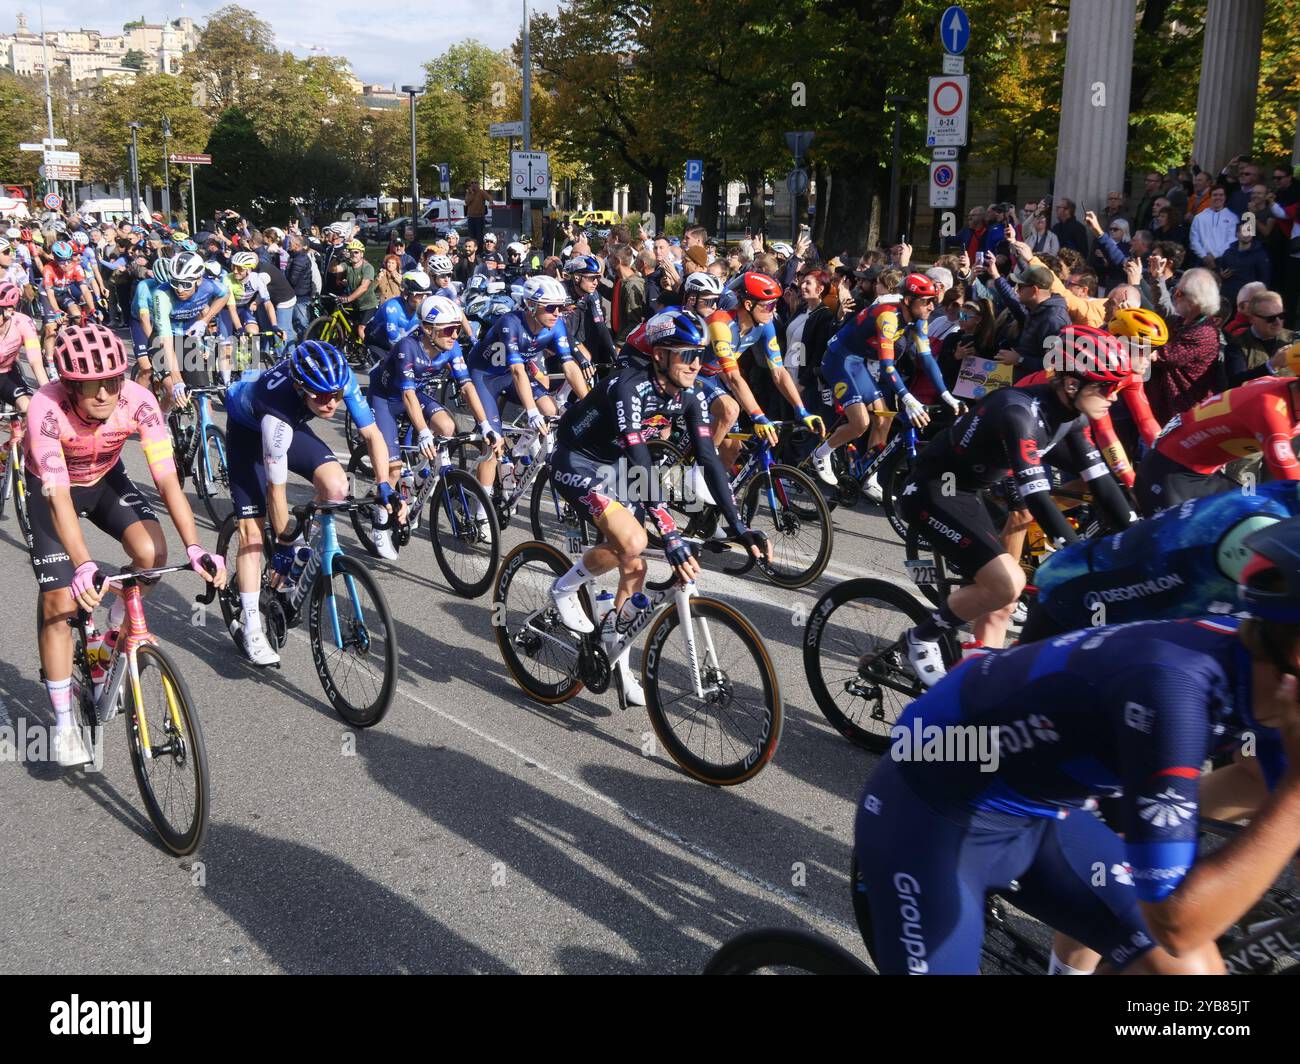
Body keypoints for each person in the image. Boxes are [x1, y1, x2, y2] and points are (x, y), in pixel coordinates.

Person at [853, 528, 1300, 973]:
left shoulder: (1265, 681)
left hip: (1044, 816)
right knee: (1179, 941)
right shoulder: (1174, 691)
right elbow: (1178, 924)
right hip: (927, 818)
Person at [24, 324, 226, 766]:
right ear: (69, 386)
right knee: (60, 600)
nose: (104, 395)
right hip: (51, 491)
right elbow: (57, 498)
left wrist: (195, 547)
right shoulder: (46, 408)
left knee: (152, 554)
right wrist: (81, 566)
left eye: (112, 382)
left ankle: (114, 626)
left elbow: (167, 478)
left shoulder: (139, 399)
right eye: (90, 386)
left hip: (105, 479)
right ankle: (63, 723)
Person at [546, 310, 769, 704]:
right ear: (661, 356)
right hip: (577, 460)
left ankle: (618, 660)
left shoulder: (693, 392)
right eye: (686, 355)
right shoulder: (630, 385)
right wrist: (669, 533)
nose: (696, 364)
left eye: (699, 354)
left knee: (635, 566)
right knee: (633, 541)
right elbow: (638, 458)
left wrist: (738, 525)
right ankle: (564, 587)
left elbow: (708, 459)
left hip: (617, 467)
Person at [900, 325, 1137, 683]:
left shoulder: (1072, 416)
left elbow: (1102, 485)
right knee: (1006, 582)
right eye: (1107, 387)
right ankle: (919, 638)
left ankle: (973, 682)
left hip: (974, 492)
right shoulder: (1018, 411)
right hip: (932, 491)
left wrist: (1139, 535)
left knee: (1006, 601)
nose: (1115, 397)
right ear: (1072, 385)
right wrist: (1075, 556)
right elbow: (1037, 498)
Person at [223, 342, 401, 666]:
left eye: (334, 395)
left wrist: (385, 486)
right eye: (320, 396)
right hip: (249, 429)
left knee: (336, 486)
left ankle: (304, 556)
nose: (331, 402)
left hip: (292, 420)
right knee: (251, 534)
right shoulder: (276, 412)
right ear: (299, 386)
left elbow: (373, 436)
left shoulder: (339, 380)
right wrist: (283, 544)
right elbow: (276, 491)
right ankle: (251, 628)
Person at [365, 295, 494, 556]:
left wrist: (485, 424)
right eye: (448, 329)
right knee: (392, 468)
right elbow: (407, 395)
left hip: (416, 393)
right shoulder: (406, 347)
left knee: (447, 428)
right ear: (427, 329)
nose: (454, 335)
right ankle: (379, 526)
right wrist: (423, 432)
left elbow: (466, 386)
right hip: (386, 398)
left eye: (457, 329)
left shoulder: (452, 347)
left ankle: (420, 475)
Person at [811, 273, 956, 494]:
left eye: (933, 301)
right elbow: (888, 367)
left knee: (883, 419)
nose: (931, 307)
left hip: (858, 362)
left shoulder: (919, 320)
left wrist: (947, 395)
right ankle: (821, 454)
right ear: (908, 300)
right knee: (860, 423)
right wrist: (909, 399)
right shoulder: (888, 316)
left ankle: (869, 474)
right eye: (926, 301)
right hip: (838, 359)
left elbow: (926, 359)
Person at [1135, 344, 1300, 515]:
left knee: (1254, 520)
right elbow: (1288, 475)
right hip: (1169, 473)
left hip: (1204, 474)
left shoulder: (1284, 386)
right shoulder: (1270, 410)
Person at [462, 274, 574, 503]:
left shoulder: (556, 324)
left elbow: (570, 366)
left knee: (550, 410)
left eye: (560, 308)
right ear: (531, 305)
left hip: (508, 375)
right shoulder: (509, 323)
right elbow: (517, 371)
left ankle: (518, 454)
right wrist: (531, 412)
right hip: (484, 377)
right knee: (492, 445)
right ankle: (482, 511)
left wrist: (591, 401)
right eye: (551, 307)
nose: (557, 313)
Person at [702, 271, 827, 474]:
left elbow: (778, 372)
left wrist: (801, 410)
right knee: (730, 410)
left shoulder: (765, 325)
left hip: (716, 377)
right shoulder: (721, 323)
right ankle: (694, 473)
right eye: (768, 305)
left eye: (775, 304)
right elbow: (734, 378)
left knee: (732, 452)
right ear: (749, 305)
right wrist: (758, 416)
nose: (773, 310)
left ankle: (713, 497)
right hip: (693, 375)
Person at [1146, 267, 1224, 426]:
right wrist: (1157, 279)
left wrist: (1125, 335)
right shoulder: (1186, 321)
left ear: (1196, 300)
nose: (1175, 295)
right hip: (1168, 409)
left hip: (1184, 416)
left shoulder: (1203, 333)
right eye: (1175, 290)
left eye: (1180, 293)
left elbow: (1158, 355)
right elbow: (1164, 310)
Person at [363, 269, 432, 369]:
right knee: (392, 374)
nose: (423, 299)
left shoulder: (423, 309)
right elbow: (393, 339)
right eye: (418, 295)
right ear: (406, 294)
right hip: (379, 345)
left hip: (400, 344)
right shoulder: (392, 307)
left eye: (426, 295)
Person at [1225, 289, 1295, 385]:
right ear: (1252, 319)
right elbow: (1235, 382)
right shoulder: (1237, 345)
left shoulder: (1293, 339)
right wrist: (1271, 365)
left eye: (1281, 315)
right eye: (1270, 318)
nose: (1278, 322)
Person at [0, 281, 48, 411]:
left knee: (29, 407)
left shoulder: (23, 323)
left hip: (6, 373)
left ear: (8, 311)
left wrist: (49, 391)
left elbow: (35, 361)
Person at [1189, 185, 1239, 269]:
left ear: (1225, 197)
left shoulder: (1233, 217)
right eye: (1215, 195)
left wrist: (1214, 255)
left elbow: (1232, 240)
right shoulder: (1199, 217)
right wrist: (1204, 256)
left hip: (1224, 261)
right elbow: (1193, 240)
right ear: (1210, 197)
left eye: (1221, 195)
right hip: (1202, 261)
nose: (1218, 197)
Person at [338, 239, 378, 343]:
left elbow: (364, 287)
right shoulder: (347, 265)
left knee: (361, 329)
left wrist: (348, 299)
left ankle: (369, 352)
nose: (353, 254)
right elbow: (333, 269)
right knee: (349, 326)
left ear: (361, 254)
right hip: (356, 305)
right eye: (351, 252)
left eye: (356, 252)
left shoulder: (368, 267)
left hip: (369, 306)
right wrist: (337, 258)